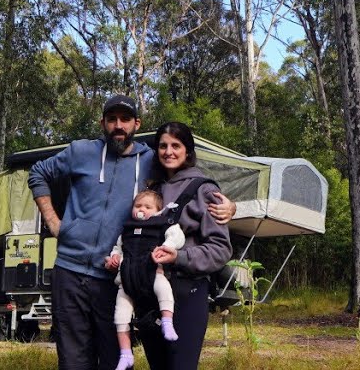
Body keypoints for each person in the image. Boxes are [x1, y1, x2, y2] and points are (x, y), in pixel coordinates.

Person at [28, 95, 235, 370]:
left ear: (136, 123)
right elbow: (37, 173)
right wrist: (54, 222)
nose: (118, 125)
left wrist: (232, 206)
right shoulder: (81, 151)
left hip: (115, 277)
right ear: (102, 122)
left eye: (125, 119)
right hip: (71, 269)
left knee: (116, 359)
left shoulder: (150, 161)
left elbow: (194, 181)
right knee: (73, 358)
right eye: (111, 119)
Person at [135, 122, 232, 370]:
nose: (169, 151)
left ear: (188, 151)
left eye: (176, 146)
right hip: (149, 292)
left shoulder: (205, 190)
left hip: (187, 291)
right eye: (163, 146)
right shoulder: (150, 192)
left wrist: (179, 257)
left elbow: (220, 248)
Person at [109, 190, 185, 370]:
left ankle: (167, 322)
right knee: (120, 314)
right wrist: (113, 257)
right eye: (138, 206)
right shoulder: (126, 230)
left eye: (147, 207)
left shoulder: (162, 225)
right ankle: (126, 353)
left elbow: (177, 236)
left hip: (152, 274)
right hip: (127, 280)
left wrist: (167, 247)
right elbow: (117, 249)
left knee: (164, 289)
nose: (141, 209)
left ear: (159, 211)